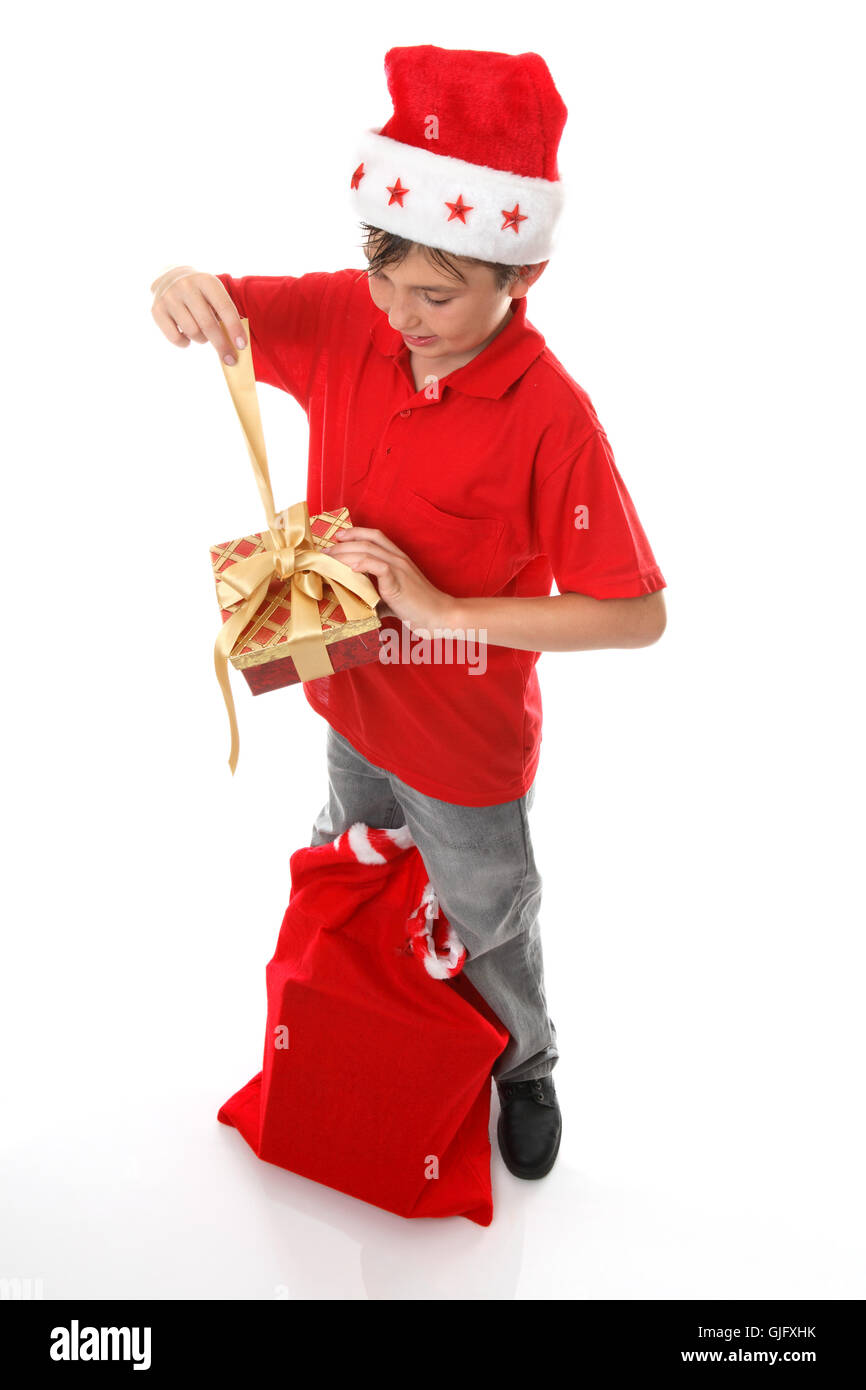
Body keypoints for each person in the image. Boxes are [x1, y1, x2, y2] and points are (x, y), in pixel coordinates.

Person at [150, 45, 667, 1183]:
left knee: (487, 924)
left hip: (465, 750)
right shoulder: (359, 318)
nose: (401, 316)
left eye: (436, 295)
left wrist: (440, 606)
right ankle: (368, 1038)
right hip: (346, 706)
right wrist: (181, 284)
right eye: (386, 281)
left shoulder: (550, 418)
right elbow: (224, 308)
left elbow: (634, 618)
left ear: (517, 279)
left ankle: (523, 1062)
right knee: (354, 882)